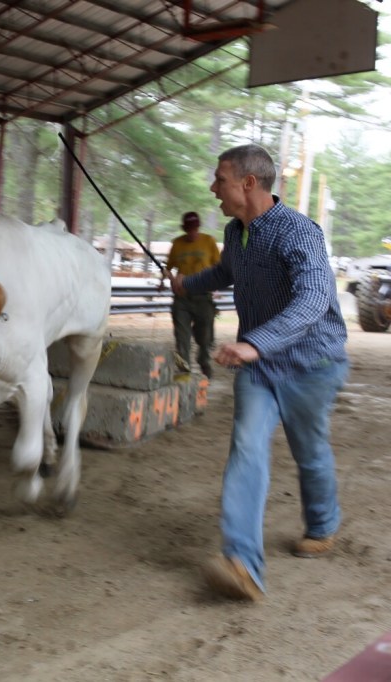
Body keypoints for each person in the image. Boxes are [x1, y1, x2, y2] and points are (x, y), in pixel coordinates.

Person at [167, 143, 348, 602]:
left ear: (248, 183)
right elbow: (226, 271)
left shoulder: (299, 233)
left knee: (309, 452)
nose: (213, 188)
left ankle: (323, 523)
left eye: (220, 179)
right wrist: (189, 282)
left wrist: (254, 342)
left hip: (311, 363)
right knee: (246, 450)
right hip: (260, 366)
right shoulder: (236, 231)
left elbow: (311, 301)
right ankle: (243, 563)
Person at [162, 211, 220, 378]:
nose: (192, 233)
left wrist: (214, 285)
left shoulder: (209, 242)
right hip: (182, 298)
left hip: (203, 297)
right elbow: (169, 267)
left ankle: (203, 360)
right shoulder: (177, 244)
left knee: (205, 337)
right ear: (184, 228)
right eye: (189, 229)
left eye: (194, 229)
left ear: (198, 227)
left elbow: (219, 268)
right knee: (182, 336)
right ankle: (184, 369)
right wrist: (166, 279)